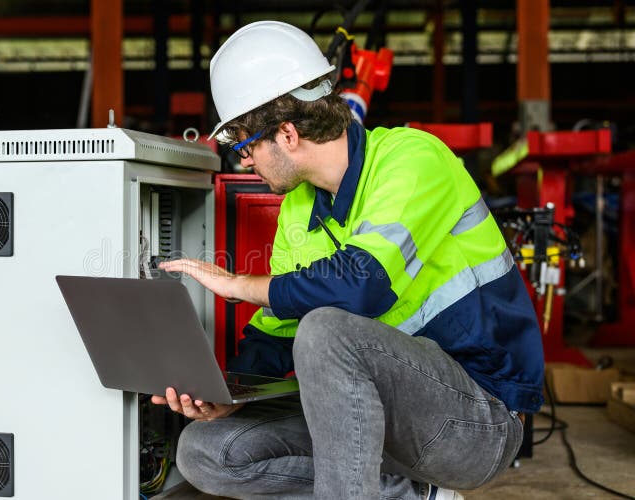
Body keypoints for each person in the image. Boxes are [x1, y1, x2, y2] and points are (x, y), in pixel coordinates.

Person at [152, 20, 544, 500]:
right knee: (205, 452)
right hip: (378, 421)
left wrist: (240, 285)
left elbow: (364, 283)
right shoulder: (300, 206)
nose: (245, 162)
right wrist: (227, 393)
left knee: (325, 331)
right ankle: (413, 496)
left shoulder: (411, 158)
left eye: (244, 145)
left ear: (288, 134)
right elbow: (276, 331)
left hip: (475, 422)